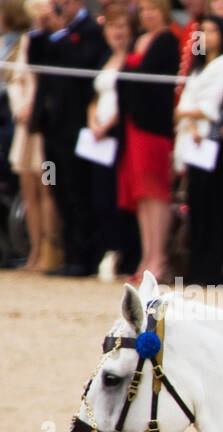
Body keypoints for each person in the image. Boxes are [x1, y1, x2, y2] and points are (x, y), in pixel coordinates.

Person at [30, 0, 108, 277]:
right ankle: (68, 252)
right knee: (57, 187)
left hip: (75, 127)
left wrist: (59, 32)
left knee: (78, 191)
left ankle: (83, 256)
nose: (58, 7)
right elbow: (36, 63)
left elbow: (82, 62)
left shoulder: (90, 29)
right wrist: (40, 32)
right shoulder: (53, 34)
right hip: (51, 126)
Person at [116, 0, 181, 283]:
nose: (147, 14)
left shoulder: (167, 39)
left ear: (163, 11)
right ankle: (146, 256)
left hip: (154, 127)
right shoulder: (139, 40)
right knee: (142, 194)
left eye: (153, 9)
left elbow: (150, 82)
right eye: (143, 10)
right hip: (133, 126)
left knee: (156, 191)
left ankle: (159, 258)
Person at [175, 13, 223, 285]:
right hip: (193, 140)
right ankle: (197, 268)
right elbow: (188, 100)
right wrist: (187, 120)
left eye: (213, 31)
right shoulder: (199, 68)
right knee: (196, 204)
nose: (207, 37)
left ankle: (213, 268)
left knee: (213, 205)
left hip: (211, 142)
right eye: (204, 31)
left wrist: (185, 115)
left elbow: (211, 105)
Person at [6, 0, 61, 272]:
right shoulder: (28, 41)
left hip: (43, 129)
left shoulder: (54, 39)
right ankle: (35, 250)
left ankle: (51, 249)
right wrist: (21, 108)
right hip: (25, 128)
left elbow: (49, 80)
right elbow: (16, 79)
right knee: (28, 190)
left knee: (46, 188)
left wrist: (35, 107)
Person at [85, 5, 133, 280]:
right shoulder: (104, 58)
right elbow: (94, 95)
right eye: (113, 27)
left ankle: (122, 252)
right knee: (100, 194)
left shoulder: (133, 59)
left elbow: (125, 99)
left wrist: (106, 125)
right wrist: (93, 120)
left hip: (117, 134)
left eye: (123, 27)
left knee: (118, 195)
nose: (118, 32)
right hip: (97, 137)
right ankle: (105, 249)